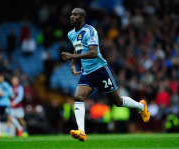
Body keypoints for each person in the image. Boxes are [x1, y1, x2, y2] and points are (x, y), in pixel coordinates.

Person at [61, 8, 150, 142]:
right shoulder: (71, 34)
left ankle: (141, 106)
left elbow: (93, 52)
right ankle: (81, 132)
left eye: (75, 14)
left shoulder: (90, 31)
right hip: (87, 73)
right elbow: (77, 46)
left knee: (118, 102)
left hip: (100, 70)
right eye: (71, 14)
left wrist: (72, 56)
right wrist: (73, 63)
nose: (72, 16)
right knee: (78, 96)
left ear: (82, 17)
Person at [0, 73, 13, 137]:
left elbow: (11, 93)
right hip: (0, 103)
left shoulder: (6, 84)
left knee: (9, 117)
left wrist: (3, 93)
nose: (0, 79)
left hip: (7, 103)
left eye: (1, 77)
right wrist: (5, 93)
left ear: (3, 78)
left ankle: (7, 132)